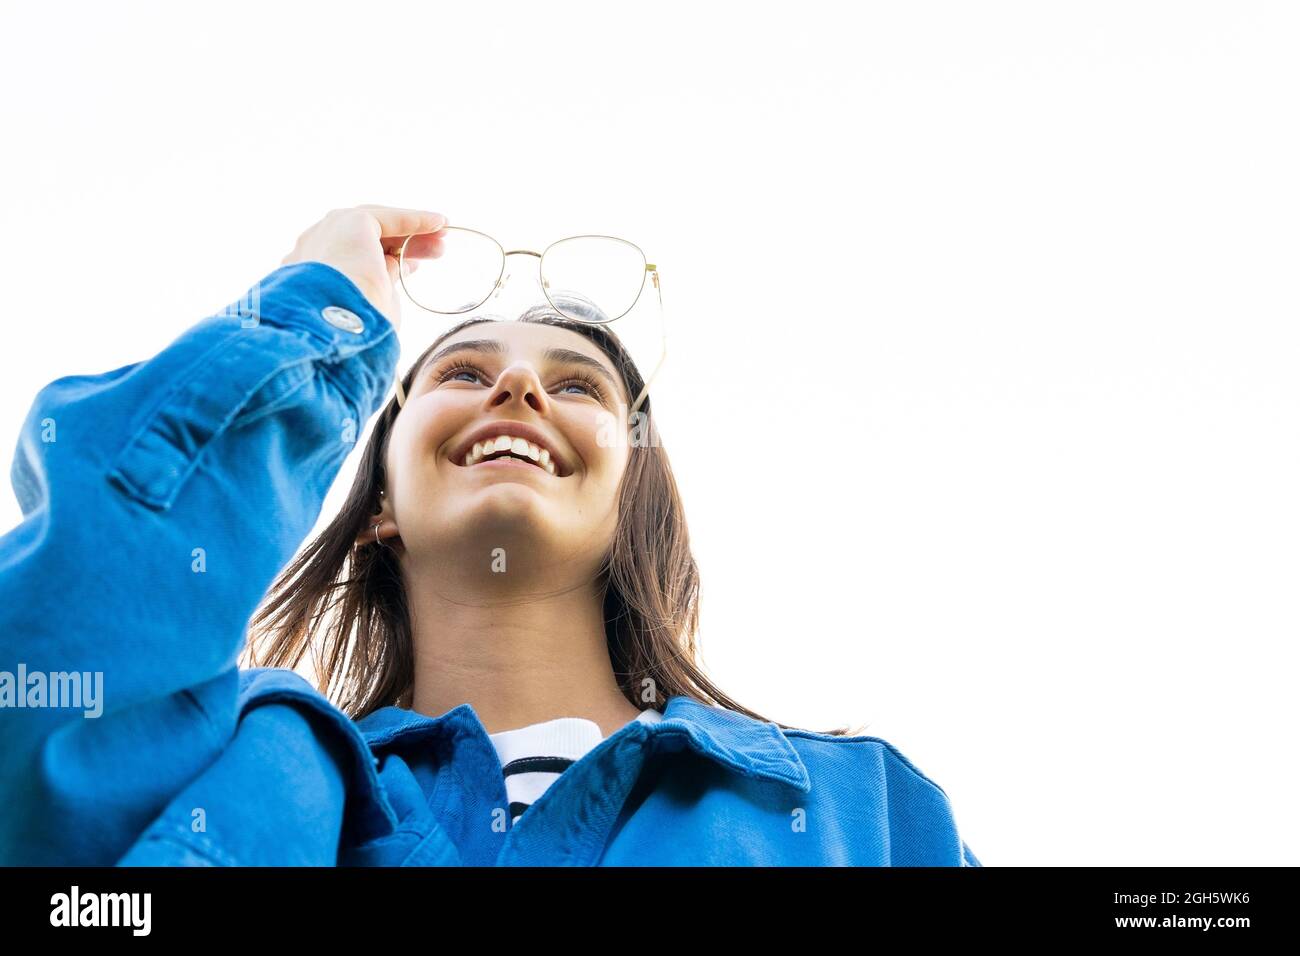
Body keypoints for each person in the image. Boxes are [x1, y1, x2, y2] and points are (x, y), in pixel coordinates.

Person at [0, 205, 981, 867]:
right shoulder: (230, 760)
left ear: (630, 487)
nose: (517, 388)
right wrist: (313, 314)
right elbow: (50, 653)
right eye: (463, 374)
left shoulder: (869, 811)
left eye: (577, 386)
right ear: (380, 498)